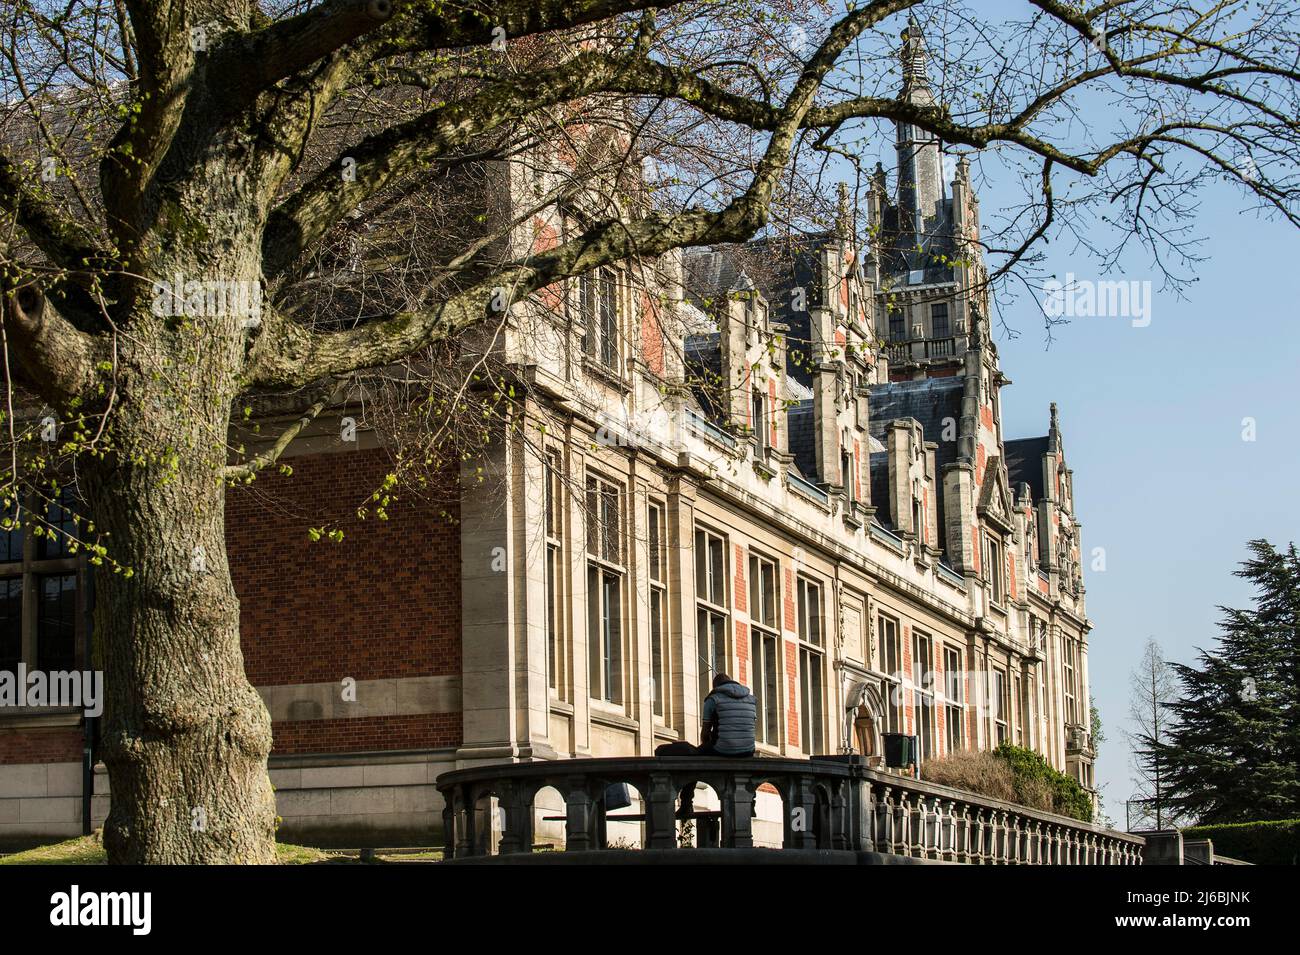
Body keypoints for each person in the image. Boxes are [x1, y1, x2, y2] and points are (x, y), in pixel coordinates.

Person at [698, 673, 757, 757]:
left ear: (716, 687)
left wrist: (705, 745)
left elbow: (705, 732)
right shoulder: (752, 700)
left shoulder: (713, 699)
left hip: (722, 749)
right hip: (748, 750)